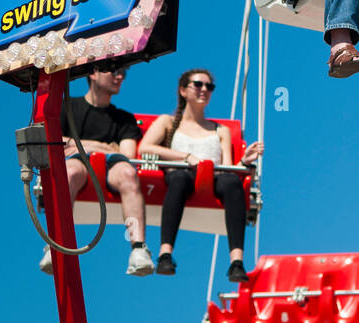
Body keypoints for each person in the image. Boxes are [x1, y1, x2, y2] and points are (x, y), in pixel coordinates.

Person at [139, 68, 264, 279]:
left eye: (209, 86)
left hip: (213, 178)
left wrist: (244, 161)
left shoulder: (220, 130)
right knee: (179, 179)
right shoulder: (167, 123)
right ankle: (165, 254)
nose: (204, 89)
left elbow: (227, 166)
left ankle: (236, 261)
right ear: (183, 90)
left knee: (232, 183)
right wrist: (185, 157)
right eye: (198, 84)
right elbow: (145, 148)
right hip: (180, 174)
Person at [39, 61, 154, 276]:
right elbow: (55, 143)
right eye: (115, 71)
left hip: (112, 165)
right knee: (70, 173)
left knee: (128, 174)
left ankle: (138, 248)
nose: (120, 77)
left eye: (123, 73)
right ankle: (55, 244)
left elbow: (127, 154)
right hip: (78, 163)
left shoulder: (125, 120)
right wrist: (106, 146)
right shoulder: (66, 108)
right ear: (93, 73)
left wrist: (77, 142)